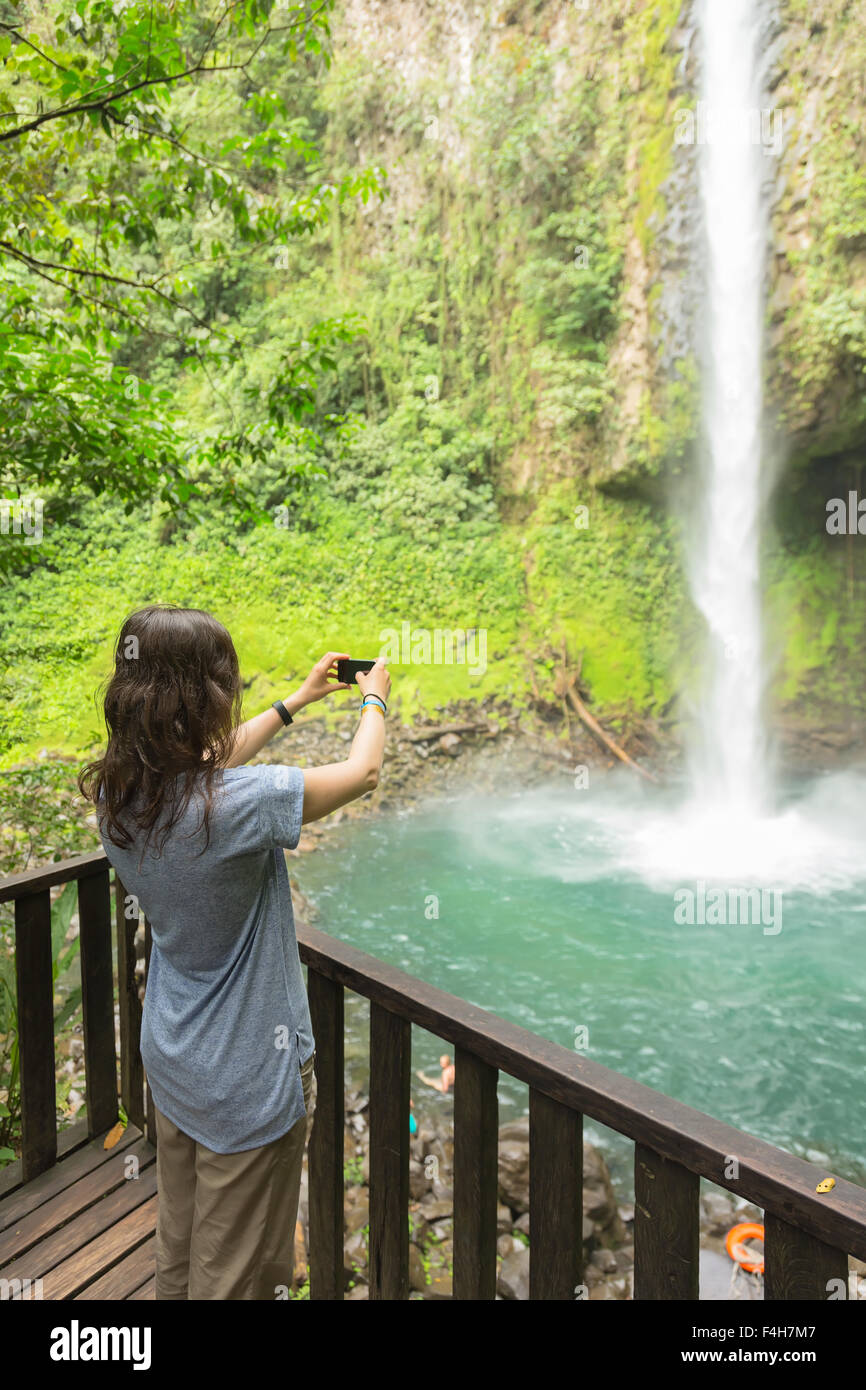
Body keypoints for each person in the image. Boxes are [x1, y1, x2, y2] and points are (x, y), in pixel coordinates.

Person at [78, 605, 390, 1300]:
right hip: (248, 1078)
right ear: (207, 695)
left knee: (182, 1247)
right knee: (236, 1274)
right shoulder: (240, 802)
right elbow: (362, 773)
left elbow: (202, 767)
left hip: (177, 1058)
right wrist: (375, 698)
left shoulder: (118, 793)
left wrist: (295, 702)